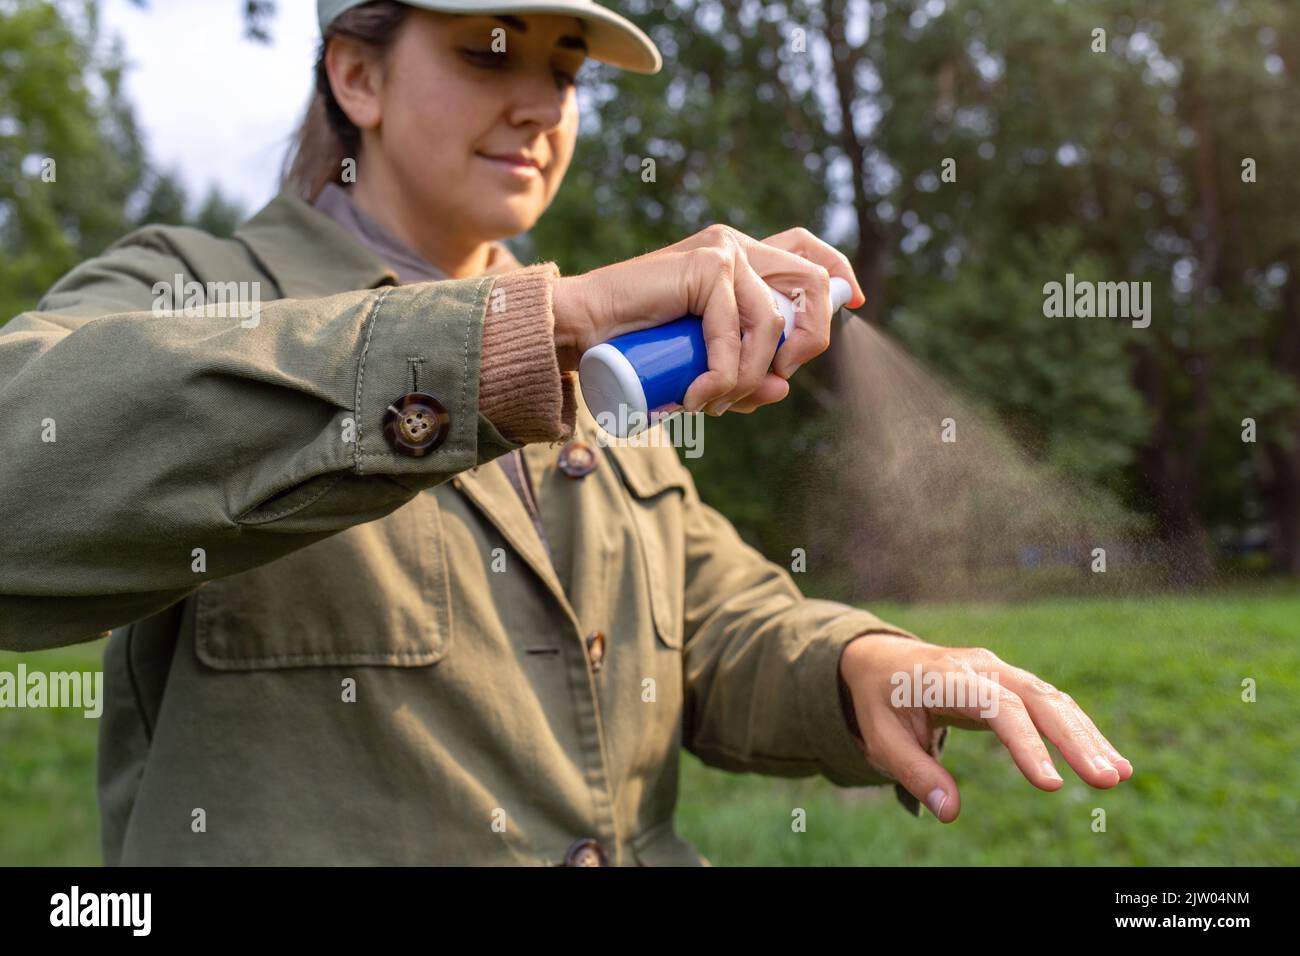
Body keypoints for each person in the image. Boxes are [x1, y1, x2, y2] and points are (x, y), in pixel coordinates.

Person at [0, 0, 1132, 865]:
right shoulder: (194, 286)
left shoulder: (607, 359)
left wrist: (857, 667)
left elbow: (711, 620)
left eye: (565, 70)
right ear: (356, 75)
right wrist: (529, 329)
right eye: (491, 50)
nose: (541, 104)